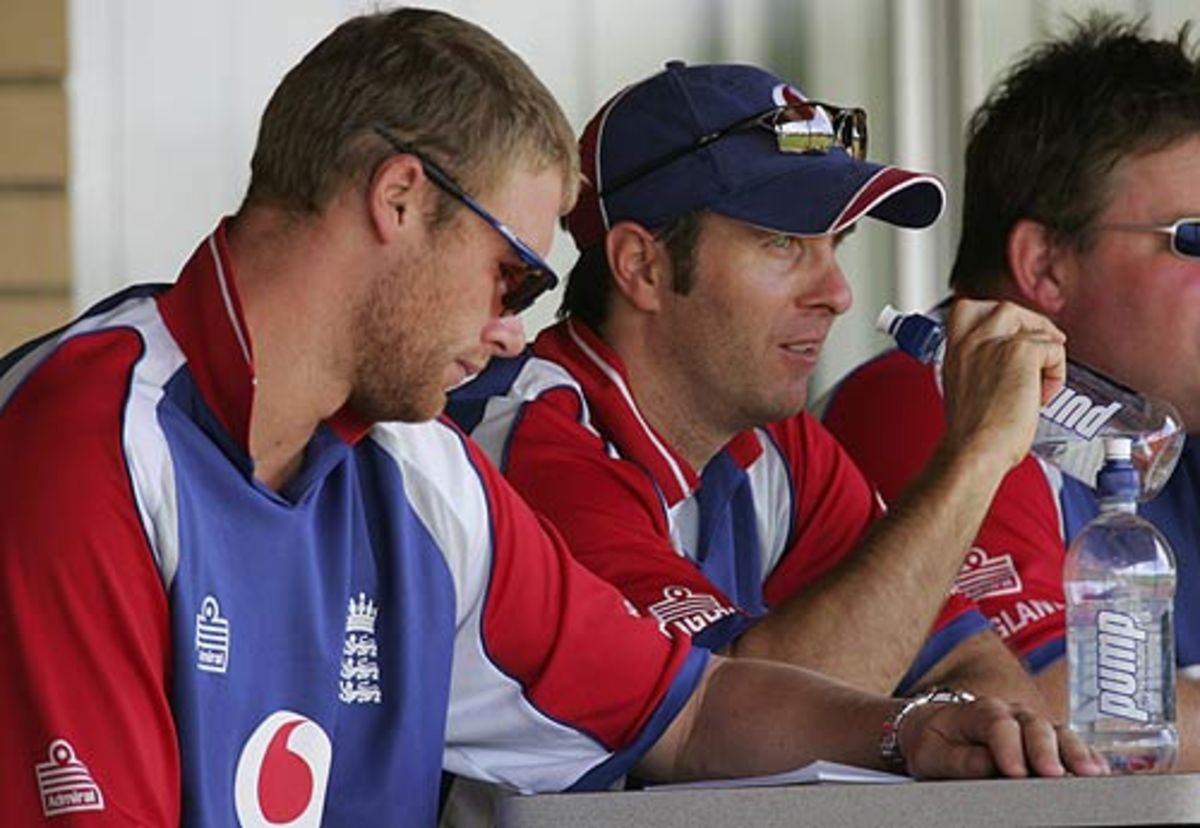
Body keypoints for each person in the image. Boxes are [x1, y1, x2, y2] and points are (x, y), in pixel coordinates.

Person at [0, 8, 1105, 827]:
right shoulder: (92, 437)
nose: (515, 331)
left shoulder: (417, 465)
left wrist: (908, 731)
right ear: (399, 200)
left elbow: (685, 713)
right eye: (514, 277)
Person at [448, 57, 1068, 710]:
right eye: (782, 243)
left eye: (836, 245)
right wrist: (973, 459)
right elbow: (729, 726)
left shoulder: (774, 441)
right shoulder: (529, 443)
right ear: (642, 266)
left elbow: (974, 667)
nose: (838, 294)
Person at [822, 15, 1200, 769]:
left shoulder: (1163, 429)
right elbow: (1053, 712)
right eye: (1193, 239)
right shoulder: (929, 394)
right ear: (1045, 265)